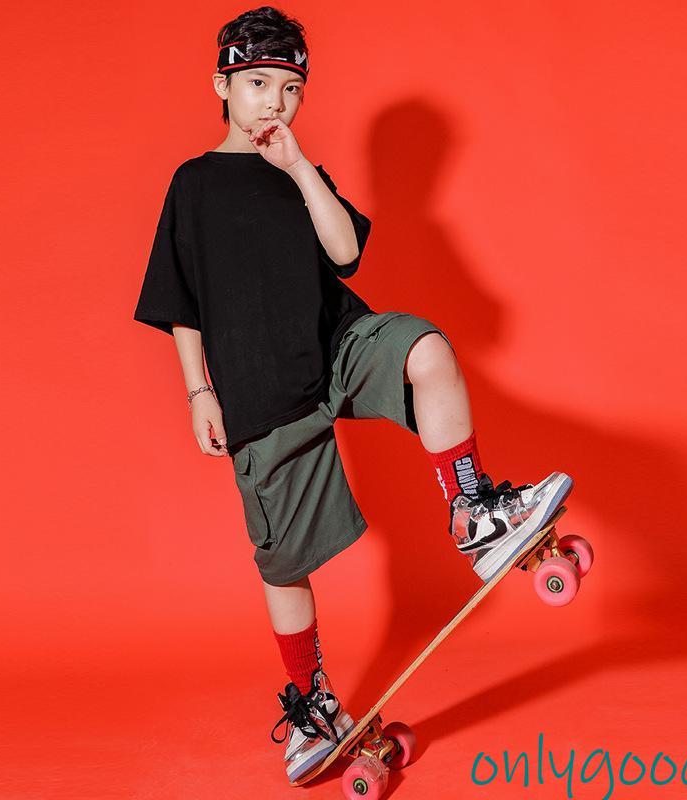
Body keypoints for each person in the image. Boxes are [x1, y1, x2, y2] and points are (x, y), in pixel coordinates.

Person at [133, 5, 574, 785]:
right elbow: (181, 302)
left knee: (426, 348)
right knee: (282, 561)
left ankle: (473, 514)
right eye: (259, 83)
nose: (275, 102)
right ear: (222, 86)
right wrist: (199, 390)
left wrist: (300, 167)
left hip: (338, 348)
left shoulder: (300, 173)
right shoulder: (193, 184)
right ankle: (312, 704)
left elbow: (344, 254)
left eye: (291, 89)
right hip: (262, 388)